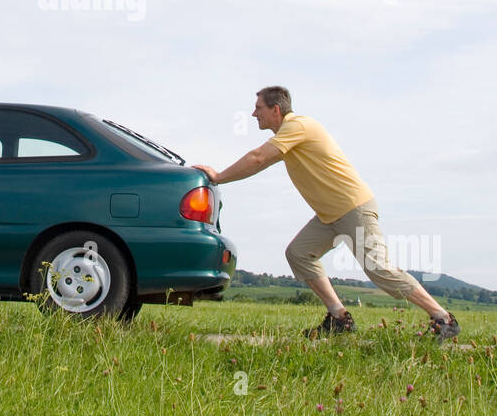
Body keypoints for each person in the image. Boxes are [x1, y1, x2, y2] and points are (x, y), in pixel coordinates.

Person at [192, 86, 461, 340]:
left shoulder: (297, 125)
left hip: (353, 207)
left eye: (258, 108)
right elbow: (261, 161)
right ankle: (339, 317)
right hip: (329, 215)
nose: (253, 114)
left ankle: (443, 319)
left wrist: (219, 176)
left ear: (276, 109)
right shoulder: (286, 135)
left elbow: (258, 158)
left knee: (380, 270)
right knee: (298, 253)